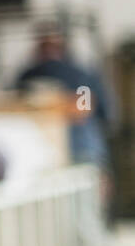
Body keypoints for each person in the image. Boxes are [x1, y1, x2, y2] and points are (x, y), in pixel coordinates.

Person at [12, 18, 114, 215]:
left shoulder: (26, 78)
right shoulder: (84, 74)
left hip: (42, 158)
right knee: (89, 214)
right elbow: (107, 115)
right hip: (85, 151)